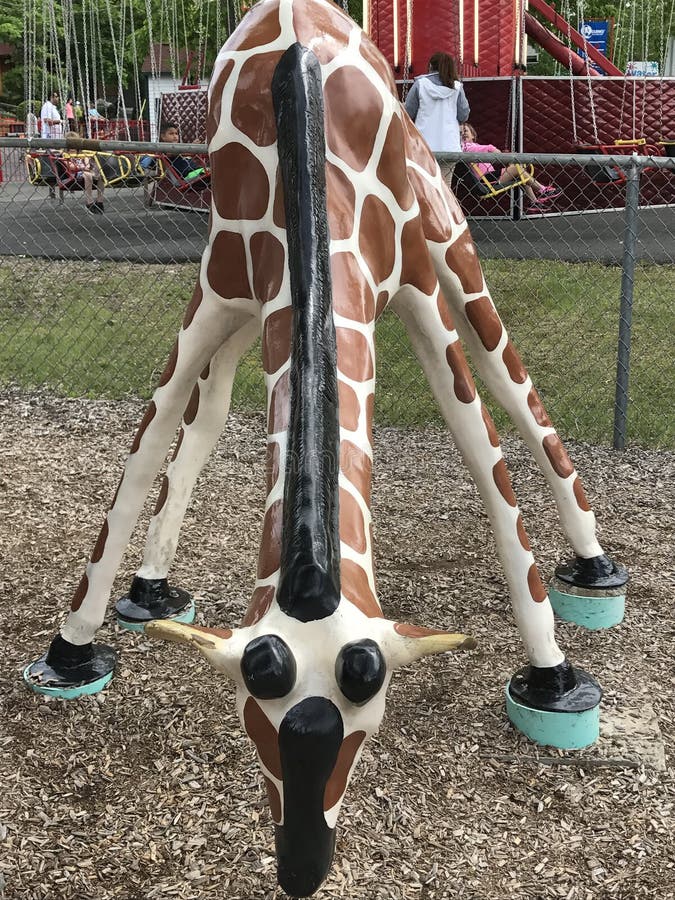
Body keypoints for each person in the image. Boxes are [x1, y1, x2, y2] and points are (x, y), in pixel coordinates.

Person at [404, 52, 469, 185]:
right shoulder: (457, 88)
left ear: (431, 66)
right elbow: (464, 115)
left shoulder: (420, 85)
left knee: (424, 187)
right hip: (449, 147)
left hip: (424, 146)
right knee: (445, 187)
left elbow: (408, 113)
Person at [460, 122, 561, 206]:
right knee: (516, 169)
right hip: (484, 181)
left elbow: (481, 149)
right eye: (460, 133)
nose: (463, 134)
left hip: (491, 177)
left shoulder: (476, 146)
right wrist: (497, 152)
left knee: (520, 172)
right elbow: (486, 149)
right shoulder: (464, 147)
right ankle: (542, 190)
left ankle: (534, 202)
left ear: (473, 135)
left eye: (465, 131)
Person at [62, 131, 106, 213]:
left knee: (100, 176)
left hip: (85, 171)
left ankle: (100, 201)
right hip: (73, 174)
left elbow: (87, 162)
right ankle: (89, 202)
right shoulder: (65, 155)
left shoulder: (82, 154)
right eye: (70, 146)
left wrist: (87, 166)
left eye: (74, 145)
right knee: (88, 175)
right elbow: (70, 166)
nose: (72, 148)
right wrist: (83, 168)